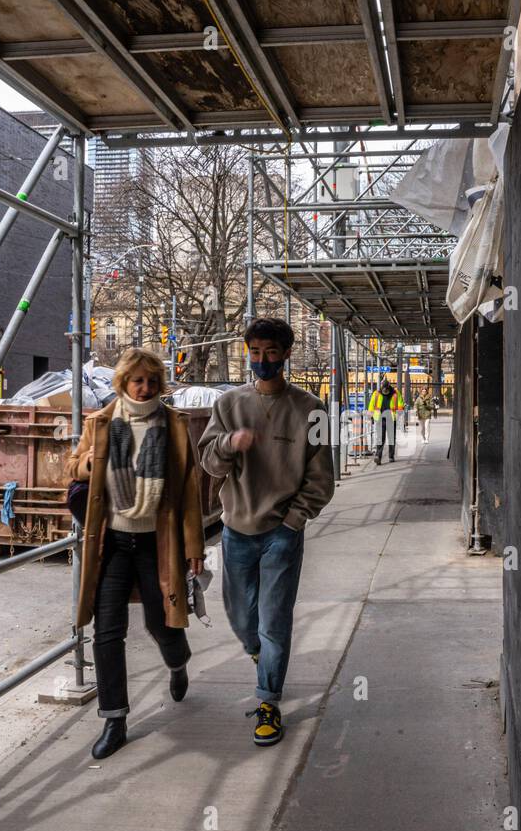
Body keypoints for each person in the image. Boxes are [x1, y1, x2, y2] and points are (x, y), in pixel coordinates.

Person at [63, 348, 205, 760]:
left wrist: (194, 546)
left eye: (151, 380)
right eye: (136, 380)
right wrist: (91, 463)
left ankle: (177, 662)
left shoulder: (174, 424)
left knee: (163, 624)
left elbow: (190, 490)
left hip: (156, 542)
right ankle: (115, 719)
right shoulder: (103, 422)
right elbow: (72, 467)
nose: (144, 387)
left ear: (160, 384)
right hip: (112, 544)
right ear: (122, 383)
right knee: (107, 631)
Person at [198, 317, 335, 747]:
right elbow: (208, 463)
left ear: (286, 353)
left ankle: (268, 702)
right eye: (254, 352)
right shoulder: (228, 405)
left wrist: (294, 520)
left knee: (274, 620)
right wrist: (228, 445)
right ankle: (261, 656)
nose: (261, 361)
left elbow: (322, 477)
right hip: (236, 529)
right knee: (242, 618)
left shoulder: (313, 408)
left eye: (270, 352)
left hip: (282, 532)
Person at [367, 378, 404, 464]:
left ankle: (391, 456)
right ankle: (378, 457)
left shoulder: (395, 393)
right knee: (380, 438)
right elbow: (371, 406)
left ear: (389, 387)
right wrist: (369, 417)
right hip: (379, 419)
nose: (385, 391)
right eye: (383, 390)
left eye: (386, 390)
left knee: (391, 439)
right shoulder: (376, 394)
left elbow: (400, 405)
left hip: (391, 418)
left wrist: (400, 417)